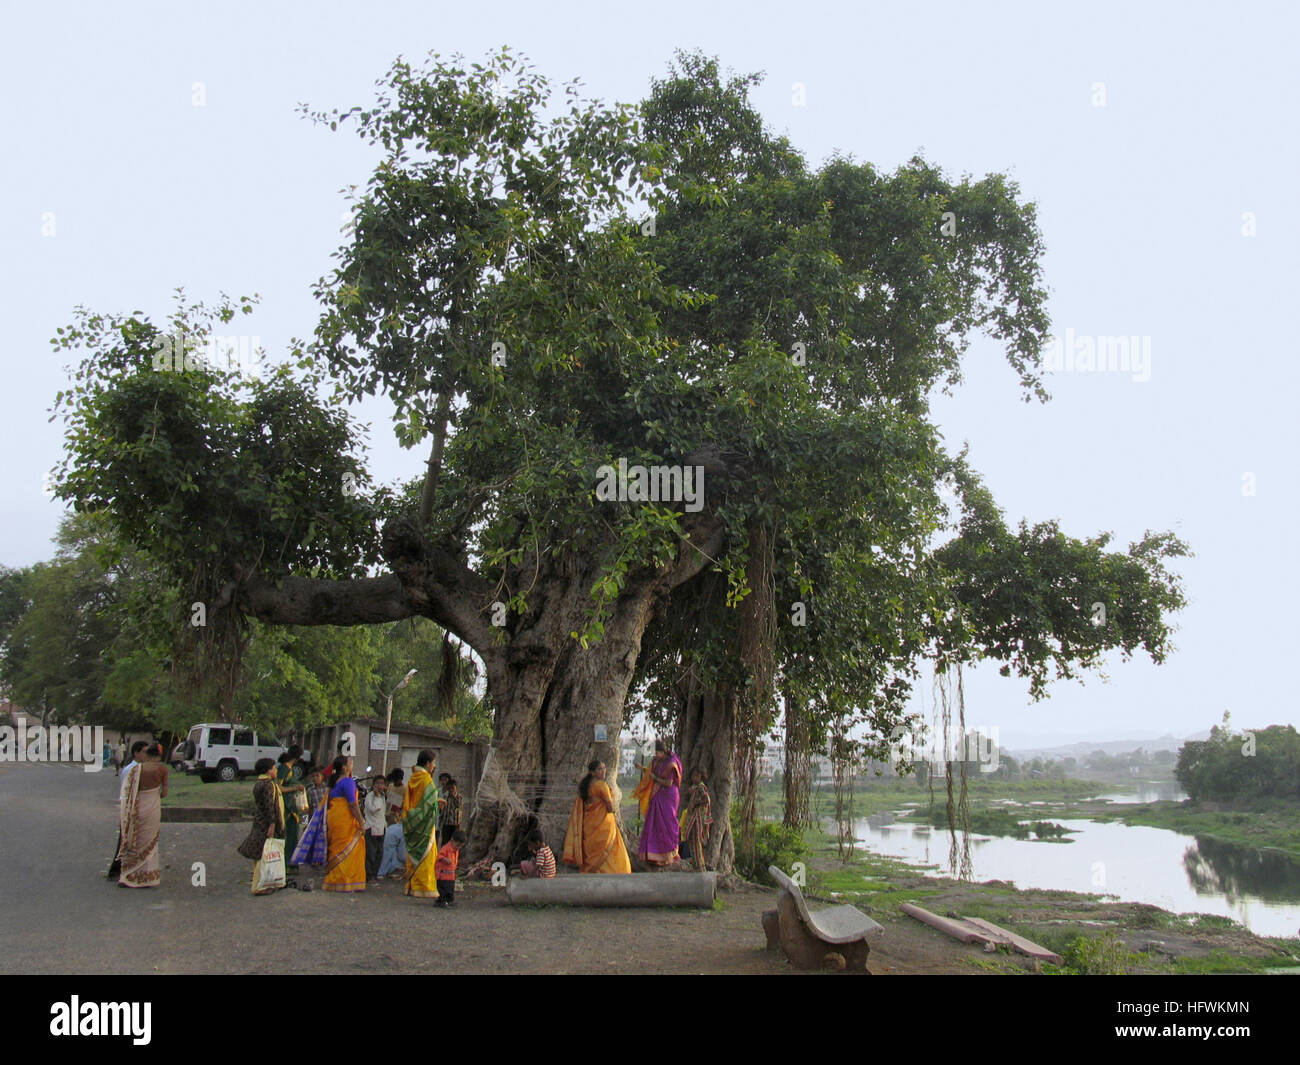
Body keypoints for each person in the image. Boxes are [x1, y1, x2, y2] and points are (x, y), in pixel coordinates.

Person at [562, 760, 631, 874]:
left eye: (604, 768)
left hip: (589, 825)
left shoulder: (586, 786)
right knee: (609, 851)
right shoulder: (601, 786)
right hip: (603, 828)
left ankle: (592, 873)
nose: (604, 771)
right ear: (593, 773)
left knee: (594, 853)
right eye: (600, 769)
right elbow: (610, 808)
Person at [118, 743, 168, 887]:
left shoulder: (136, 769)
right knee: (150, 841)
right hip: (152, 807)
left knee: (137, 839)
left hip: (137, 807)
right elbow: (164, 793)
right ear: (158, 756)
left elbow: (128, 791)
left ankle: (129, 874)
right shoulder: (162, 770)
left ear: (147, 755)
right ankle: (148, 877)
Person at [107, 741, 151, 879]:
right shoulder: (130, 770)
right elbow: (124, 793)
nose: (147, 755)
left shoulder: (143, 768)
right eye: (144, 751)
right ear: (136, 753)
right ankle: (117, 871)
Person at [323, 755, 367, 892]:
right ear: (344, 767)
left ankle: (335, 880)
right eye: (350, 763)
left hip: (334, 818)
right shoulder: (348, 782)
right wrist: (361, 821)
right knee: (349, 849)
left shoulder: (334, 782)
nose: (352, 764)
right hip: (345, 820)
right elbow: (352, 804)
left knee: (337, 848)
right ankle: (345, 881)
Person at [636, 739, 682, 867]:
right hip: (657, 794)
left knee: (667, 823)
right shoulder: (657, 761)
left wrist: (653, 777)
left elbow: (668, 783)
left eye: (657, 753)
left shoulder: (671, 763)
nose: (655, 756)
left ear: (663, 751)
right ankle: (653, 855)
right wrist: (642, 769)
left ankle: (669, 855)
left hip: (668, 796)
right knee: (654, 823)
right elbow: (652, 773)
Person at [403, 750, 440, 897]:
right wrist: (436, 803)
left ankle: (412, 886)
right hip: (425, 824)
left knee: (414, 855)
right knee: (427, 855)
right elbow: (428, 804)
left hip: (412, 821)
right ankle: (424, 887)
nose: (434, 766)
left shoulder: (413, 778)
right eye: (433, 763)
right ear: (428, 763)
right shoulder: (426, 780)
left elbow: (415, 801)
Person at [237, 758, 285, 870]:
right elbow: (269, 806)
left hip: (260, 820)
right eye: (274, 768)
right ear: (268, 771)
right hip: (267, 824)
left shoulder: (259, 783)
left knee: (260, 851)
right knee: (266, 851)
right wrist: (273, 824)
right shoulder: (269, 785)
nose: (276, 770)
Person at [276, 745, 306, 871]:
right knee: (289, 836)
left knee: (294, 836)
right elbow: (278, 788)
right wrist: (295, 788)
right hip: (286, 807)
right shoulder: (284, 769)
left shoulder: (290, 768)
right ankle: (287, 864)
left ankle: (292, 863)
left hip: (293, 807)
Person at [680, 769, 713, 871]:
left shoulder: (701, 788)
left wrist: (696, 803)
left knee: (695, 840)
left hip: (697, 819)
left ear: (701, 777)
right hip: (694, 818)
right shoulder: (696, 788)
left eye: (696, 776)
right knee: (692, 840)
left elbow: (706, 799)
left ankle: (699, 865)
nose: (694, 778)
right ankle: (697, 863)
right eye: (693, 776)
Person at [377, 768, 407, 878]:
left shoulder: (405, 790)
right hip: (387, 816)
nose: (396, 782)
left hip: (397, 819)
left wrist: (398, 807)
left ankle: (389, 867)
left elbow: (406, 805)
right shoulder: (390, 786)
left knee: (392, 846)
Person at [364, 775, 388, 881]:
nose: (380, 786)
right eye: (377, 783)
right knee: (370, 852)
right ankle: (369, 874)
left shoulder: (383, 797)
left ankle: (375, 873)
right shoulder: (370, 796)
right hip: (371, 827)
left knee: (379, 852)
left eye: (382, 784)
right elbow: (374, 809)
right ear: (373, 785)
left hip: (381, 827)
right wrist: (377, 795)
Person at [434, 830, 466, 907]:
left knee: (450, 889)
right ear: (452, 841)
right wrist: (445, 859)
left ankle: (450, 900)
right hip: (443, 874)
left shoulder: (456, 850)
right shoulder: (446, 848)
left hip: (451, 874)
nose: (458, 847)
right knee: (443, 889)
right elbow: (439, 856)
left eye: (460, 846)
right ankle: (441, 901)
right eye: (457, 845)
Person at [439, 778, 463, 843]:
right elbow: (442, 811)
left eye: (452, 788)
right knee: (445, 842)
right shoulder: (445, 797)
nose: (451, 790)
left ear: (456, 788)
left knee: (454, 842)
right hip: (446, 824)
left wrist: (453, 797)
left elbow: (459, 806)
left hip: (455, 824)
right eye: (449, 788)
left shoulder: (459, 797)